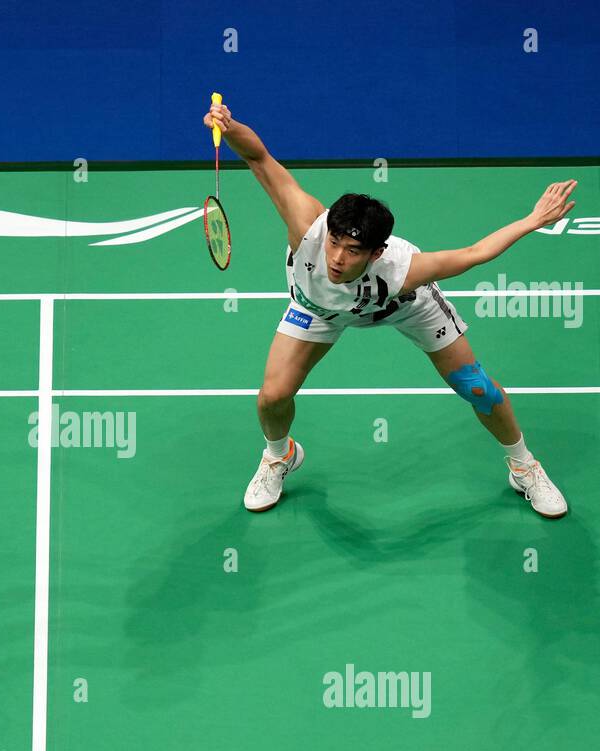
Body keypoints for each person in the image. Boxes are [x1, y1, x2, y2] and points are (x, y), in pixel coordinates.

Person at [204, 101, 574, 519]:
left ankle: (524, 466)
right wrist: (229, 126)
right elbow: (258, 156)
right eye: (335, 242)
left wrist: (531, 220)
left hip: (400, 307)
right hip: (318, 309)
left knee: (476, 387)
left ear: (377, 252)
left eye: (353, 250)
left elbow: (474, 253)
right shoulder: (307, 225)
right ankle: (279, 455)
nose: (338, 258)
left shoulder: (403, 270)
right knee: (272, 396)